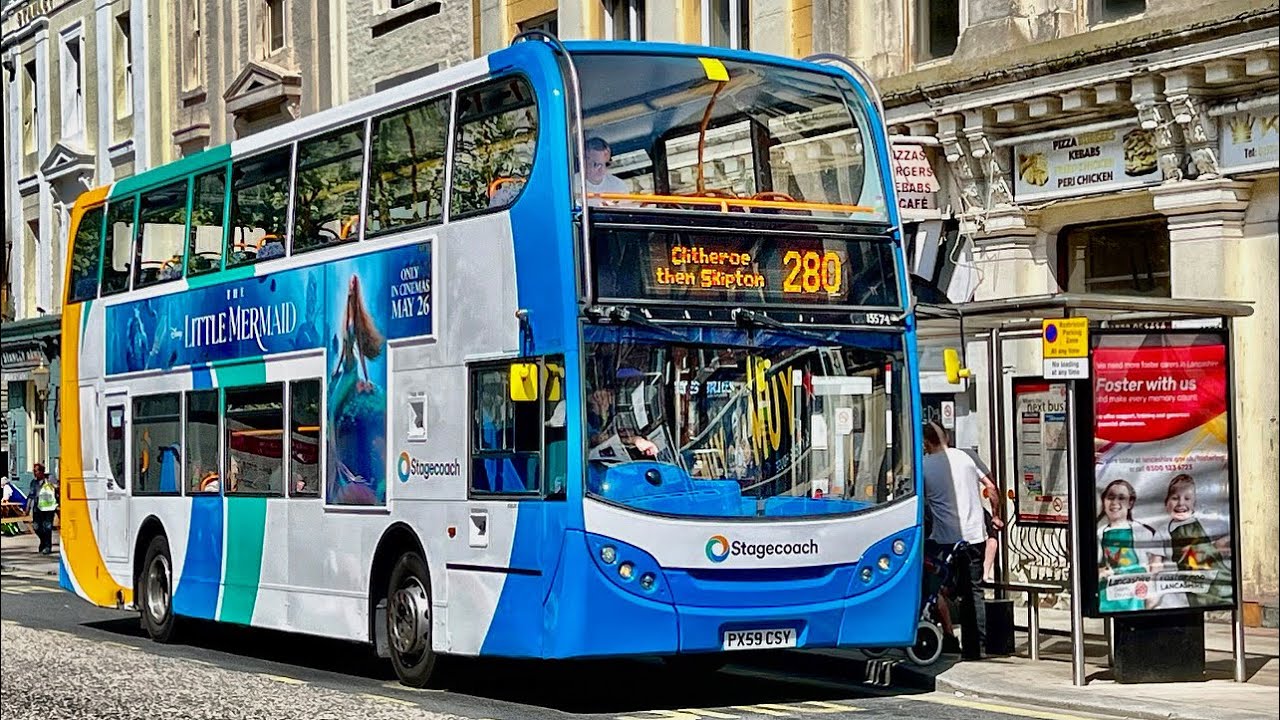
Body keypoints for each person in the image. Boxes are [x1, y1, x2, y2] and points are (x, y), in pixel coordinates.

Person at [921, 421, 988, 660]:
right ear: (946, 436)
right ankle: (976, 646)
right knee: (974, 590)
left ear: (927, 442)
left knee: (933, 584)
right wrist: (997, 516)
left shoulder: (925, 466)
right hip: (975, 536)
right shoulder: (966, 457)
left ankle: (948, 635)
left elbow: (918, 503)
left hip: (945, 539)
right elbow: (991, 487)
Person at [575, 137, 630, 206]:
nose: (602, 169)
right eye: (596, 164)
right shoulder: (572, 187)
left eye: (606, 164)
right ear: (583, 161)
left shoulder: (619, 186)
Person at [27, 463, 59, 555]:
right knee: (36, 527)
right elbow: (31, 495)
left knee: (47, 527)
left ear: (41, 471)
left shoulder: (49, 479)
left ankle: (47, 546)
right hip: (37, 508)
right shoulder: (34, 482)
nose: (35, 473)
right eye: (34, 471)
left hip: (49, 507)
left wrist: (53, 485)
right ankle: (43, 541)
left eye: (36, 471)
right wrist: (27, 508)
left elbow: (58, 487)